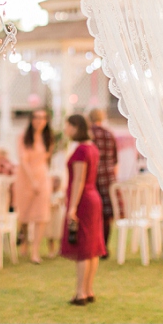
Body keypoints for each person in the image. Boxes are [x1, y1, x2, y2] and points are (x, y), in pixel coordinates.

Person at [61, 114, 106, 306]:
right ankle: (88, 289)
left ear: (75, 127)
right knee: (93, 246)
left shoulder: (80, 150)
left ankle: (80, 292)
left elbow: (79, 179)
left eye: (67, 126)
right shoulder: (92, 148)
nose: (65, 130)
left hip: (84, 201)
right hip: (93, 197)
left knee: (83, 247)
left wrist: (72, 208)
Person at [13, 109, 53, 264]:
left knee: (41, 215)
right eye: (36, 117)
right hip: (25, 177)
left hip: (43, 176)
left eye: (43, 118)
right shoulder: (23, 137)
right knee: (24, 214)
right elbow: (23, 160)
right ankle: (24, 242)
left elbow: (46, 159)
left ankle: (35, 251)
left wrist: (41, 179)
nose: (39, 121)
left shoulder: (48, 138)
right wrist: (32, 180)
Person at [88, 109, 118, 259]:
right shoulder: (109, 134)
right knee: (106, 215)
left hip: (92, 176)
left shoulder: (88, 134)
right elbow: (115, 160)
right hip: (108, 176)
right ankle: (104, 247)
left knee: (92, 213)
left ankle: (94, 246)